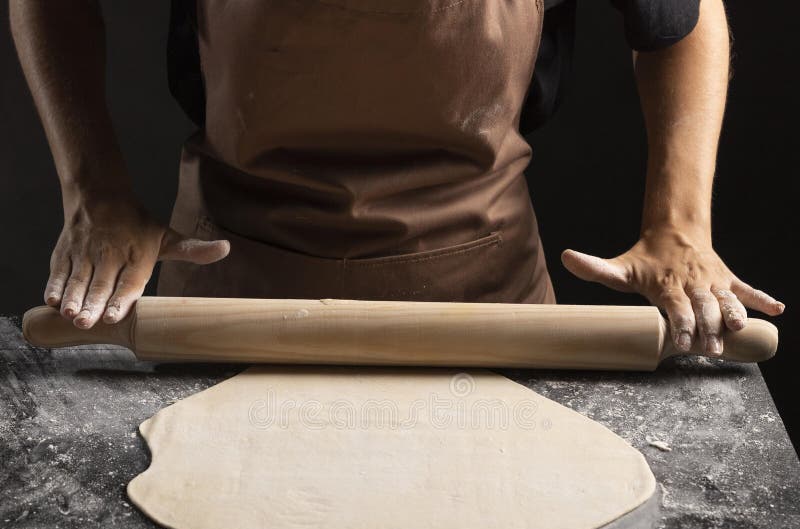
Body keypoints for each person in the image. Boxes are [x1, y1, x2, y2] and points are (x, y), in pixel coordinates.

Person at [10, 0, 784, 356]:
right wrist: (95, 196)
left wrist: (680, 226)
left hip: (482, 305)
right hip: (234, 293)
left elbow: (681, 21)